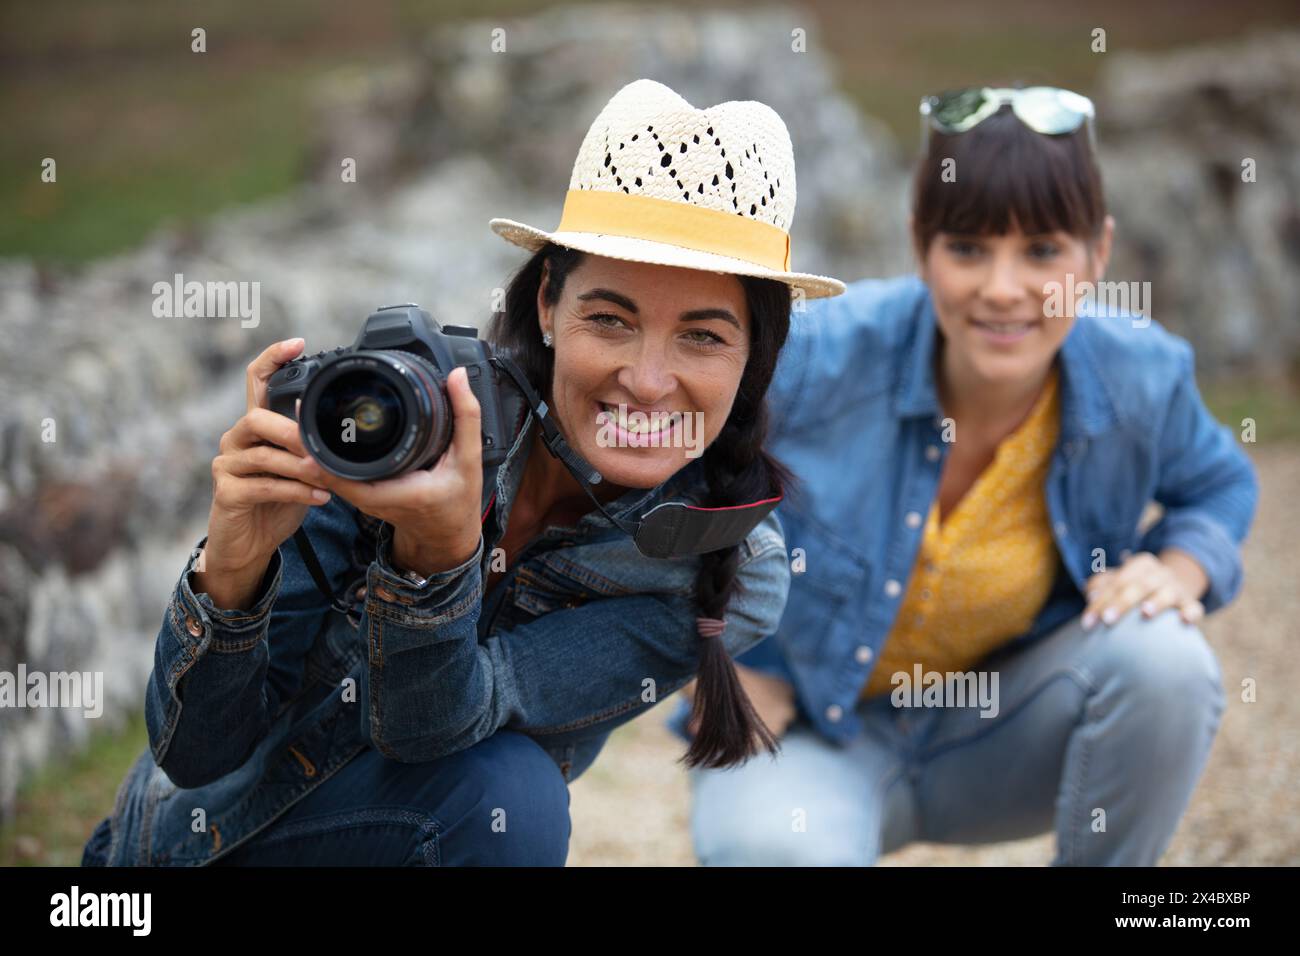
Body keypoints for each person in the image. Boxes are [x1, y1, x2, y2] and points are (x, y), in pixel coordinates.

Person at [81, 78, 845, 867]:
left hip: (427, 834)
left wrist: (436, 562)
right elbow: (195, 754)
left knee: (510, 795)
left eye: (703, 337)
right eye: (610, 319)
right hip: (186, 853)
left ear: (759, 353)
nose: (647, 382)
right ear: (548, 302)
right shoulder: (397, 419)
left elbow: (433, 734)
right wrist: (233, 569)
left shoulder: (726, 568)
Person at [680, 86, 1259, 866]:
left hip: (1000, 736)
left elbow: (1221, 484)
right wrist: (709, 660)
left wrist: (1181, 569)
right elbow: (658, 480)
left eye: (1044, 251)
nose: (1003, 288)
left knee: (1166, 659)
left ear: (1099, 253)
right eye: (969, 248)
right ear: (921, 245)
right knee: (767, 849)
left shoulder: (1142, 375)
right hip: (808, 745)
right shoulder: (817, 356)